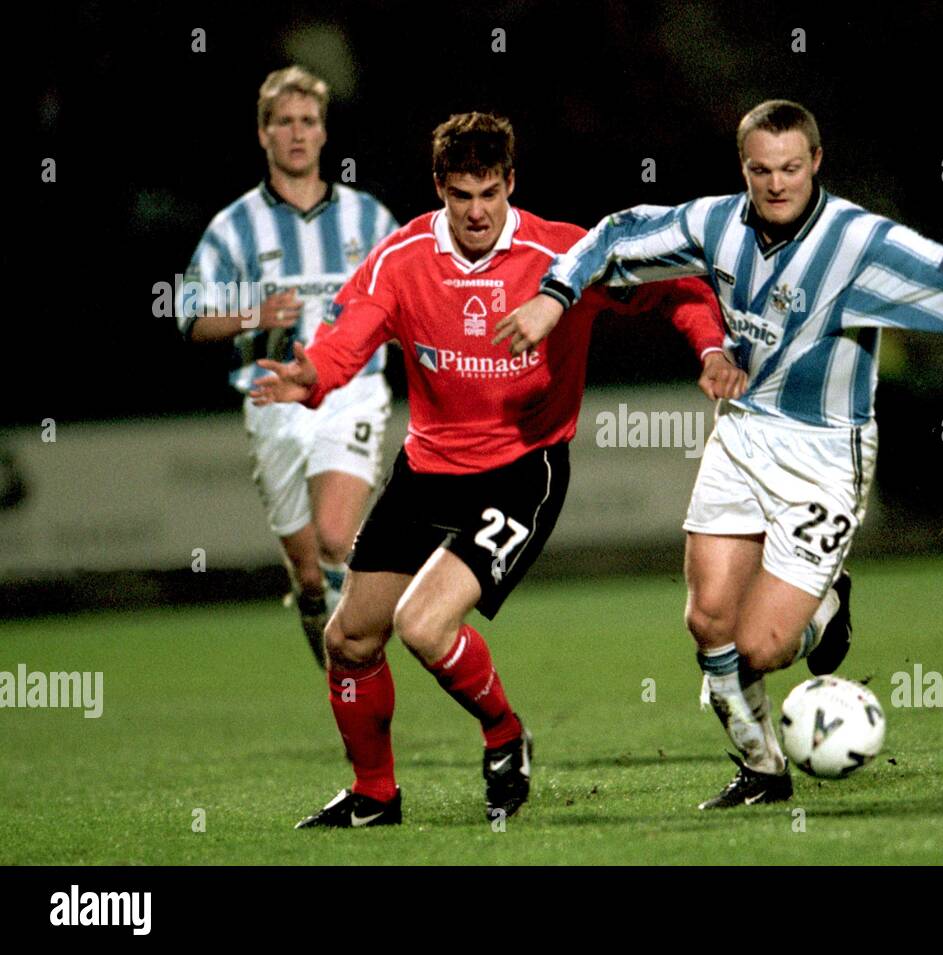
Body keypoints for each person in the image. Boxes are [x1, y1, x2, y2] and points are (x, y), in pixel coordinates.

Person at [494, 99, 943, 809]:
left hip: (824, 454)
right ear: (743, 168)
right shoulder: (716, 223)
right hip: (743, 432)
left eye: (789, 168)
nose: (776, 183)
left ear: (815, 163)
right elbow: (621, 233)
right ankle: (763, 767)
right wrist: (555, 297)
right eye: (760, 169)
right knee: (707, 620)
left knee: (763, 647)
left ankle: (826, 605)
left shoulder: (858, 243)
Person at [250, 112, 737, 826]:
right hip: (426, 472)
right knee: (349, 639)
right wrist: (312, 376)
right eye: (460, 194)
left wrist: (709, 350)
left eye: (489, 192)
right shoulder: (402, 257)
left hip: (521, 472)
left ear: (511, 183)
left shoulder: (563, 255)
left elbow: (680, 289)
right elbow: (347, 337)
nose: (476, 211)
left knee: (422, 624)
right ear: (439, 189)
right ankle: (374, 795)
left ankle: (505, 734)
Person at [178, 65, 398, 668]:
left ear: (325, 133)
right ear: (263, 134)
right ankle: (318, 613)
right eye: (284, 123)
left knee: (335, 537)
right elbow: (187, 314)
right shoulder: (233, 227)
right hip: (272, 401)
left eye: (309, 122)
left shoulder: (369, 220)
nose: (298, 134)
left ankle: (356, 669)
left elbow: (412, 293)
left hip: (350, 394)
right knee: (308, 570)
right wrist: (253, 313)